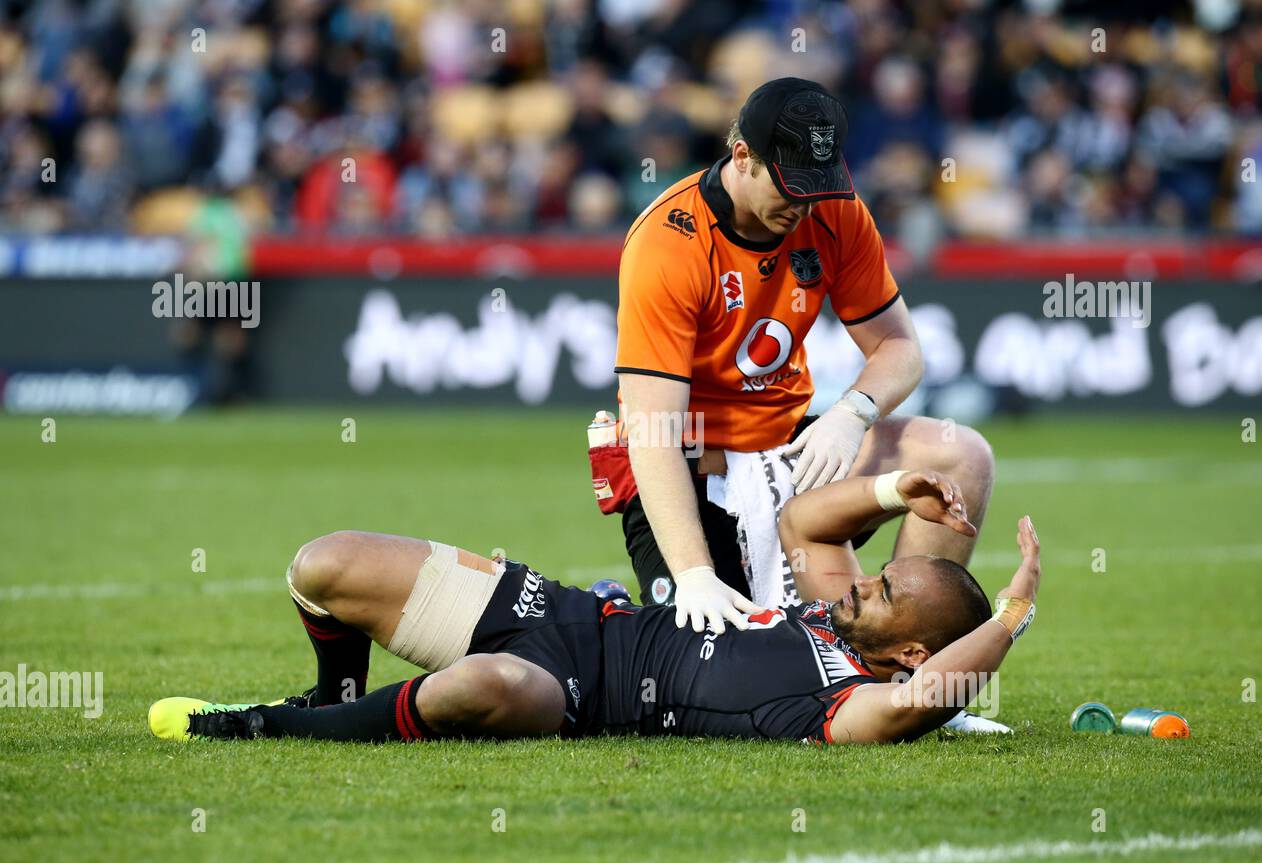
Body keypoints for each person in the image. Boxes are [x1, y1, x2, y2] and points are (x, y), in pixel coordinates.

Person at [148, 471, 1038, 747]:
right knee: (325, 562)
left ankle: (273, 728)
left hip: (565, 695)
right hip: (568, 613)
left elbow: (929, 702)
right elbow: (805, 519)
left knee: (486, 684)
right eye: (878, 575)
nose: (862, 586)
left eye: (885, 595)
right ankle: (327, 690)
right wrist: (895, 490)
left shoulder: (856, 705)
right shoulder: (827, 614)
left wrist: (1009, 619)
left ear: (917, 657)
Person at [610, 77, 994, 634]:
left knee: (963, 456)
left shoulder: (835, 212)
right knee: (715, 669)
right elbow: (652, 429)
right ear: (743, 157)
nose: (806, 204)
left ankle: (912, 667)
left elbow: (900, 346)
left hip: (796, 453)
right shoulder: (668, 243)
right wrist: (694, 573)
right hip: (694, 466)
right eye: (791, 187)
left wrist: (852, 412)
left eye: (818, 185)